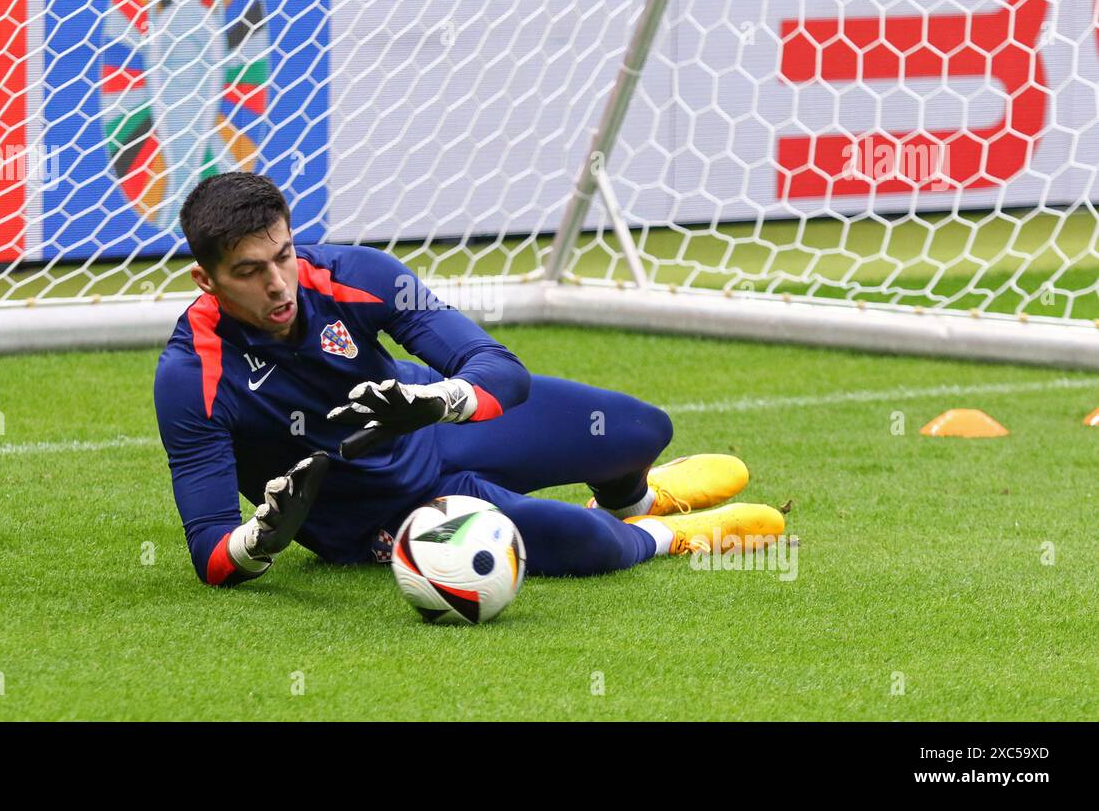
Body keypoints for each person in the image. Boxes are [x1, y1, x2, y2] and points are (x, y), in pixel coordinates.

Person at [154, 172, 783, 587]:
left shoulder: (356, 273)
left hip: (437, 424)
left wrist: (433, 402)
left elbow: (500, 370)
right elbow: (210, 551)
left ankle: (637, 500)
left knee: (643, 427)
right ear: (206, 280)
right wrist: (261, 538)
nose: (276, 283)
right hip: (386, 512)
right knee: (590, 545)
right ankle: (659, 534)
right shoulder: (191, 377)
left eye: (284, 255)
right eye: (248, 270)